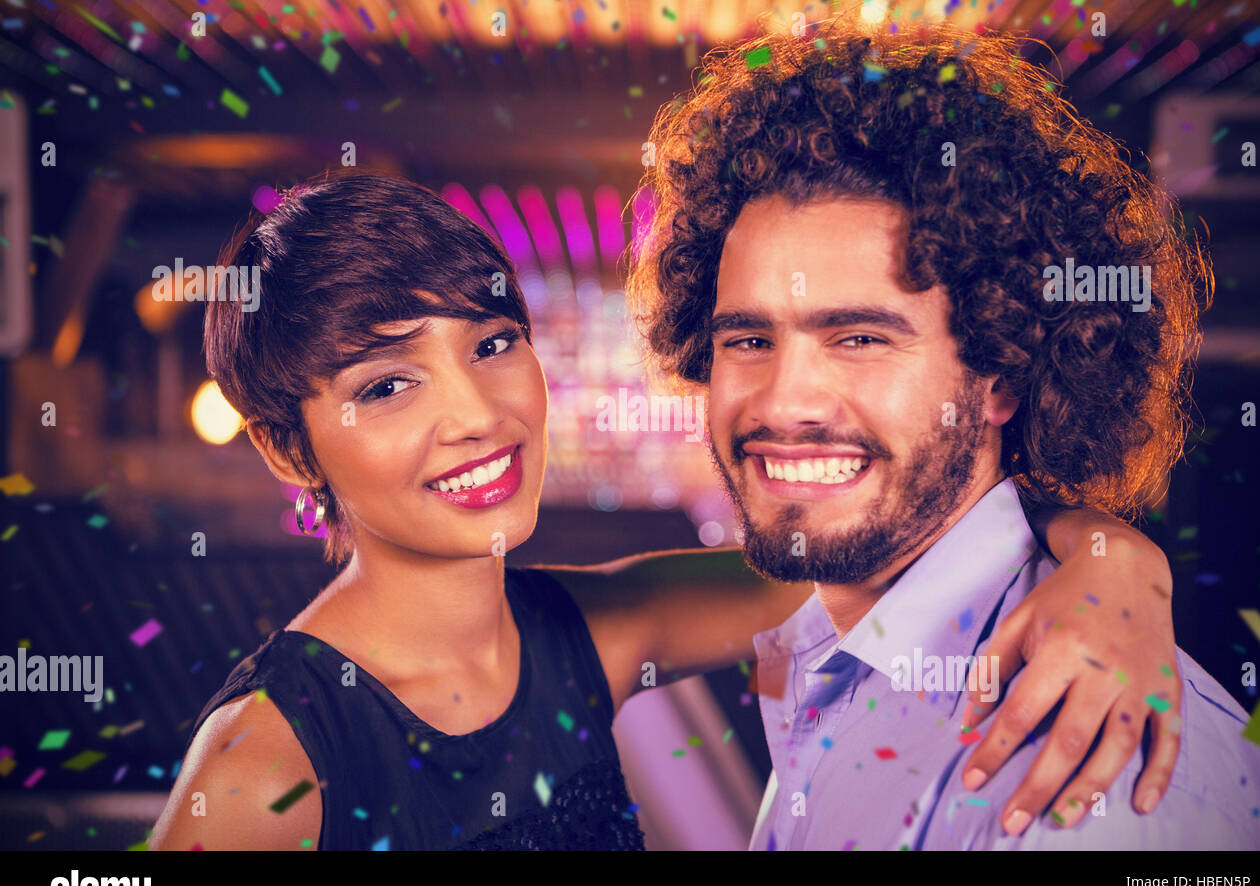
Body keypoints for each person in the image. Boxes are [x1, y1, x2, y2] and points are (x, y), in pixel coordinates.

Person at [150, 171, 1180, 850]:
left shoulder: (591, 630)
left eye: (492, 342)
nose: (475, 414)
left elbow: (892, 543)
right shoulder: (262, 762)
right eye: (385, 385)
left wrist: (1112, 562)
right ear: (289, 444)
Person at [627, 17, 1260, 849]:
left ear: (1001, 376)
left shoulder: (1100, 775)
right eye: (749, 340)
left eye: (860, 338)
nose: (784, 402)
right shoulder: (830, 654)